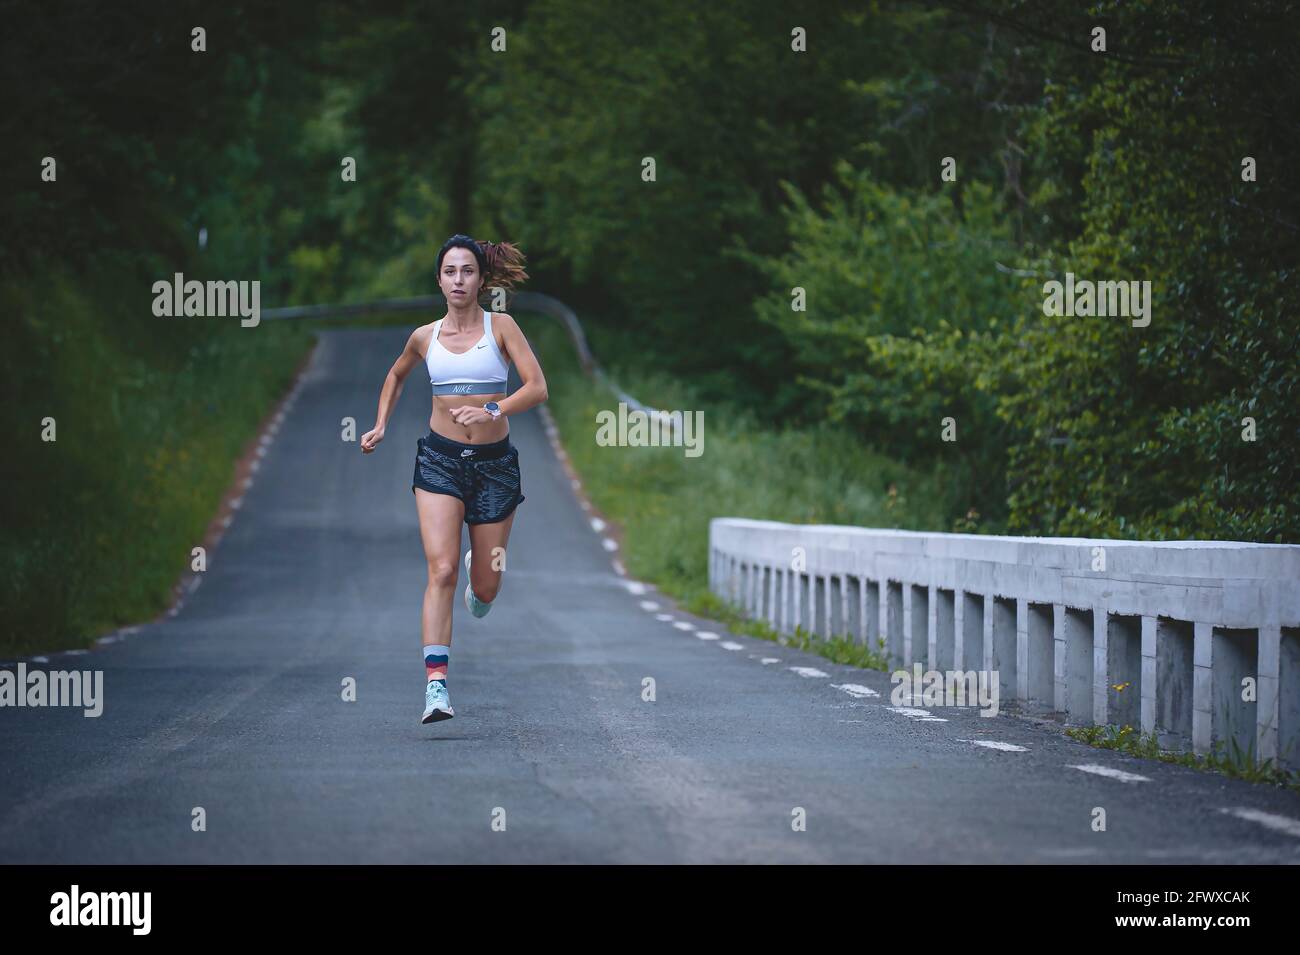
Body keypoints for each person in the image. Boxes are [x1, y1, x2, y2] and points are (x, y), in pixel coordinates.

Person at [360, 234, 548, 724]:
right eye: (450, 272)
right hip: (440, 463)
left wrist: (493, 408)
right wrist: (381, 423)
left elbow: (537, 388)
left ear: (481, 279)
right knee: (440, 569)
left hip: (494, 468)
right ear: (440, 279)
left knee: (486, 590)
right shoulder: (425, 337)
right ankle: (436, 687)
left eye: (467, 271)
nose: (458, 280)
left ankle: (478, 579)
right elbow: (397, 375)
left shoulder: (501, 327)